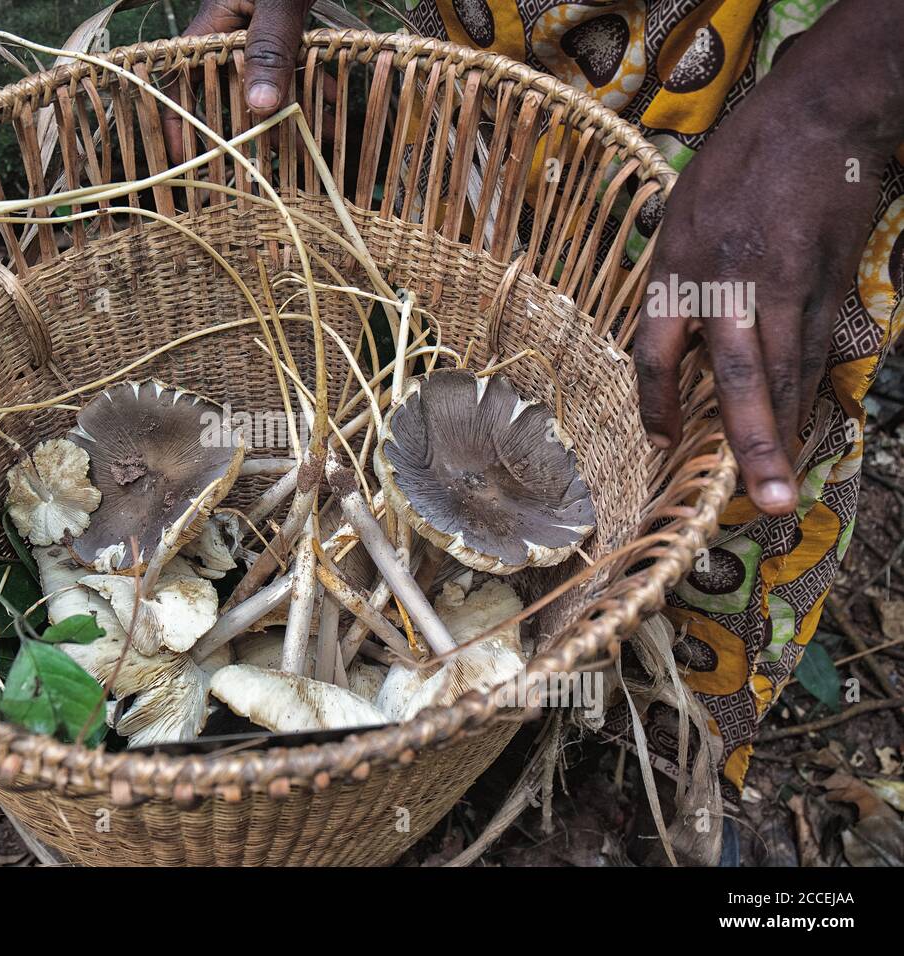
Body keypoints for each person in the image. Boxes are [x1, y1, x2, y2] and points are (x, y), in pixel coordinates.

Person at [173, 0, 904, 800]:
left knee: (728, 386)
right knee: (442, 298)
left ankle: (642, 776)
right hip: (481, 33)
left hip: (754, 72)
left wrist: (833, 107)